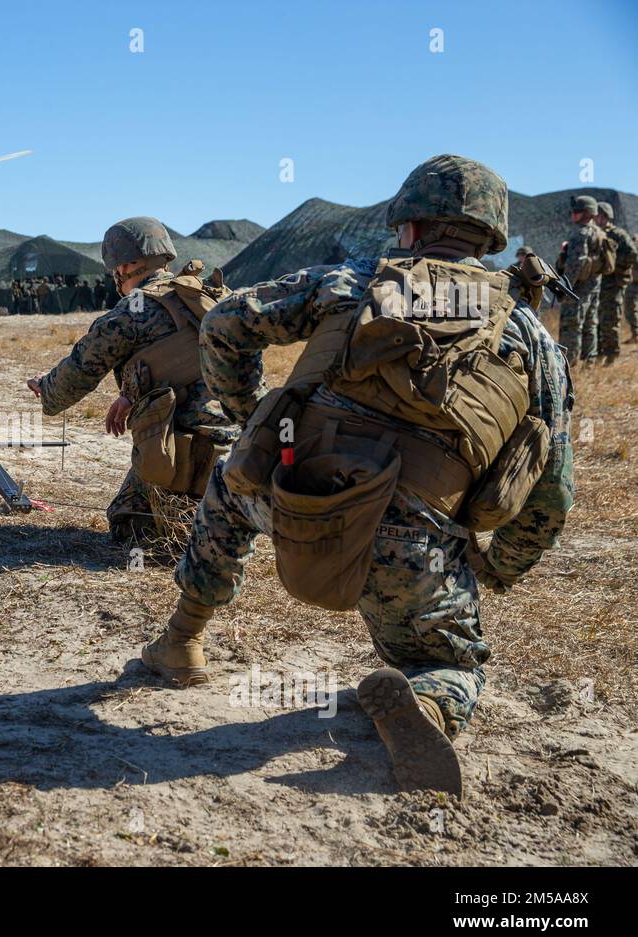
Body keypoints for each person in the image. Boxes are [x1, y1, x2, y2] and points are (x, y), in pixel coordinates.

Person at [141, 156, 573, 797]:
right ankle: (426, 704)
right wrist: (498, 565)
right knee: (448, 661)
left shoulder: (352, 279)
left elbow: (225, 322)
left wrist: (251, 416)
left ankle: (181, 642)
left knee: (233, 486)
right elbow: (553, 487)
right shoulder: (529, 334)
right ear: (489, 236)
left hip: (294, 497)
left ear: (409, 226)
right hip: (415, 543)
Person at [26, 217, 236, 544]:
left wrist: (46, 387)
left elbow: (78, 373)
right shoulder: (210, 296)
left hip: (188, 455)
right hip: (243, 455)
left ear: (125, 267)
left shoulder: (132, 311)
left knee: (130, 526)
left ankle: (194, 529)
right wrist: (132, 393)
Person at [556, 195, 606, 365]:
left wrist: (564, 288)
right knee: (590, 324)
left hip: (577, 288)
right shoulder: (599, 233)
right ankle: (589, 361)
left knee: (571, 326)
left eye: (576, 210)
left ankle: (568, 364)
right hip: (594, 287)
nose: (573, 214)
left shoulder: (580, 234)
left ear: (587, 213)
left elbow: (575, 265)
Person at [594, 201, 637, 364]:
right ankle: (597, 353)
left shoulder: (618, 234)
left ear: (604, 216)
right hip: (598, 284)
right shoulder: (595, 233)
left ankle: (611, 355)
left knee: (611, 320)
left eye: (597, 215)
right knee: (596, 320)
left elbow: (633, 255)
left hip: (613, 285)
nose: (594, 218)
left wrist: (613, 263)